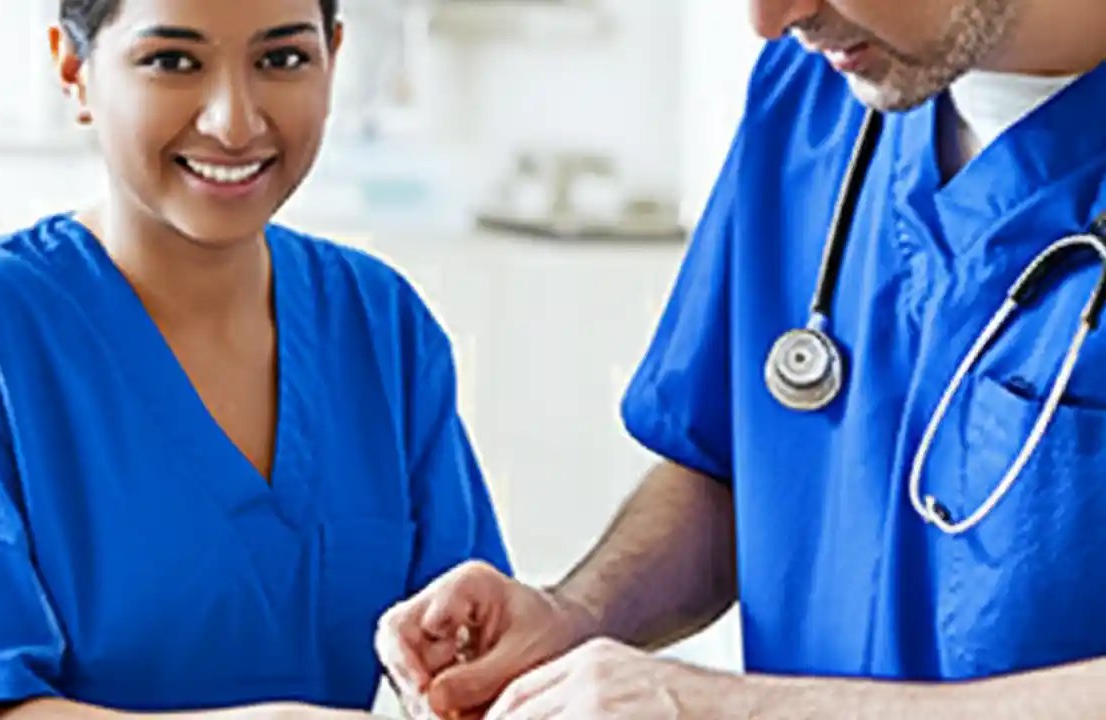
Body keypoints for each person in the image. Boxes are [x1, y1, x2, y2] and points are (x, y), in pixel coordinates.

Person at [376, 0, 1106, 717]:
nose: (769, 18)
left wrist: (735, 710)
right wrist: (576, 615)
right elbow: (730, 466)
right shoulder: (816, 93)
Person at [0, 0, 512, 718]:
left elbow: (477, 653)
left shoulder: (379, 324)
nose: (234, 122)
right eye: (172, 61)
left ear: (332, 61)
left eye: (281, 60)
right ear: (74, 69)